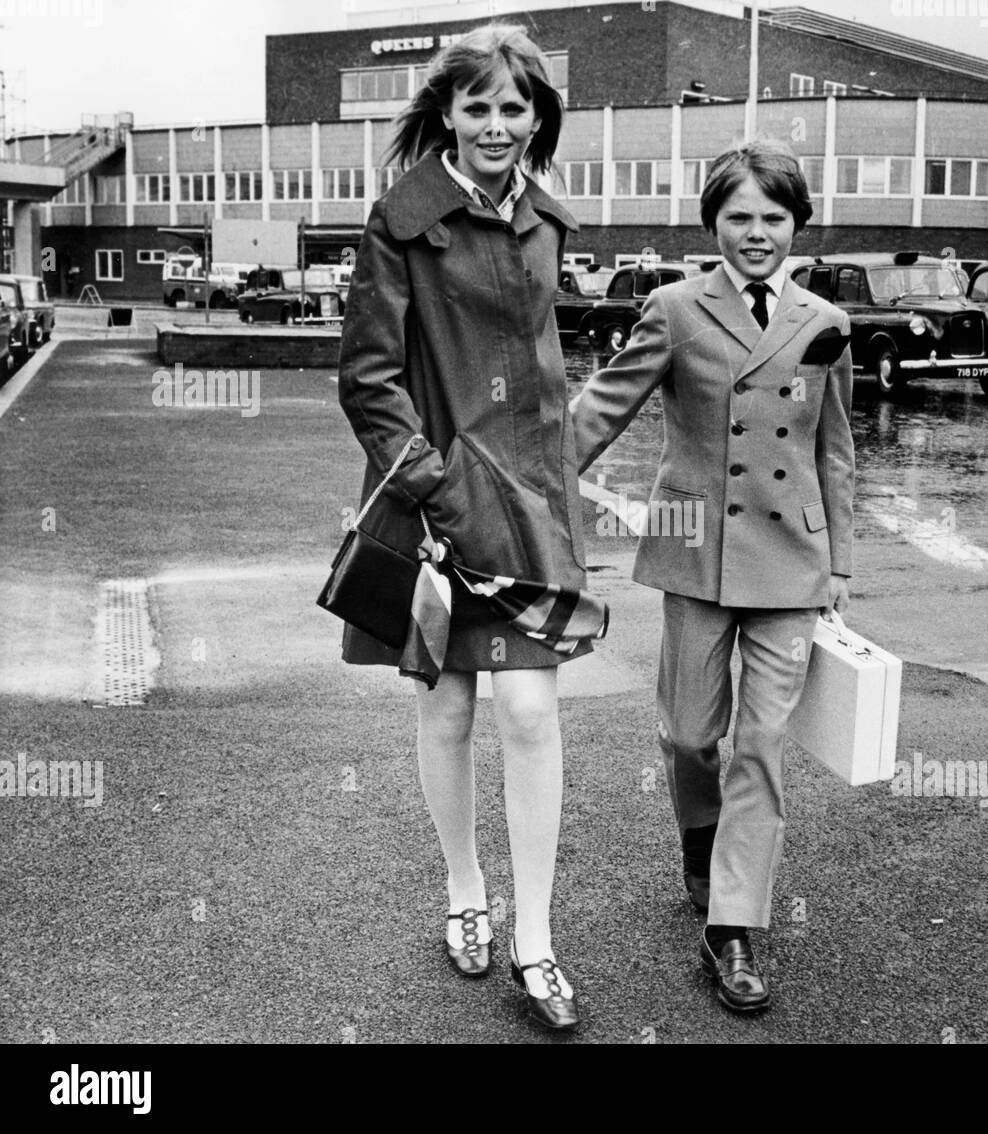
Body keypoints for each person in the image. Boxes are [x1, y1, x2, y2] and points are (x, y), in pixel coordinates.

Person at [336, 23, 595, 1032]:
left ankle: (536, 945)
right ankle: (462, 891)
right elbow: (368, 379)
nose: (497, 124)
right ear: (448, 112)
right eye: (478, 105)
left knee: (529, 713)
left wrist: (563, 480)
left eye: (514, 108)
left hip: (531, 509)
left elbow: (541, 369)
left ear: (538, 119)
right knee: (447, 710)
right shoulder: (399, 220)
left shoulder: (546, 222)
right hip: (436, 508)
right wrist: (438, 492)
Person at [569, 139, 855, 1014]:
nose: (756, 233)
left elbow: (836, 452)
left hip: (793, 565)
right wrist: (518, 486)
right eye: (739, 217)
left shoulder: (823, 321)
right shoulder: (674, 308)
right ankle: (701, 846)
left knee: (762, 749)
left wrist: (841, 561)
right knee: (690, 735)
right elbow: (599, 410)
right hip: (694, 549)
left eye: (773, 217)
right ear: (714, 225)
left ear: (796, 224)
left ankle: (732, 930)